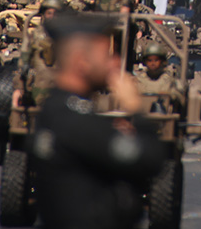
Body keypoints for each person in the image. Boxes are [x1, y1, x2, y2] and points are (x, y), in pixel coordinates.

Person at [31, 13, 165, 229]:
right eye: (106, 55)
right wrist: (136, 109)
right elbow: (149, 158)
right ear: (81, 62)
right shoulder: (75, 120)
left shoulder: (56, 107)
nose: (115, 62)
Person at [15, 0, 67, 111]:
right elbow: (24, 58)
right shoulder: (35, 34)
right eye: (49, 13)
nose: (52, 16)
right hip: (39, 84)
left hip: (61, 85)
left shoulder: (66, 36)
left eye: (56, 14)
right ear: (43, 14)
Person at [134, 41, 184, 112]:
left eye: (156, 60)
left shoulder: (169, 81)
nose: (153, 63)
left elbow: (180, 99)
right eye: (150, 60)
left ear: (162, 61)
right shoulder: (139, 80)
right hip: (141, 117)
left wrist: (171, 95)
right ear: (145, 62)